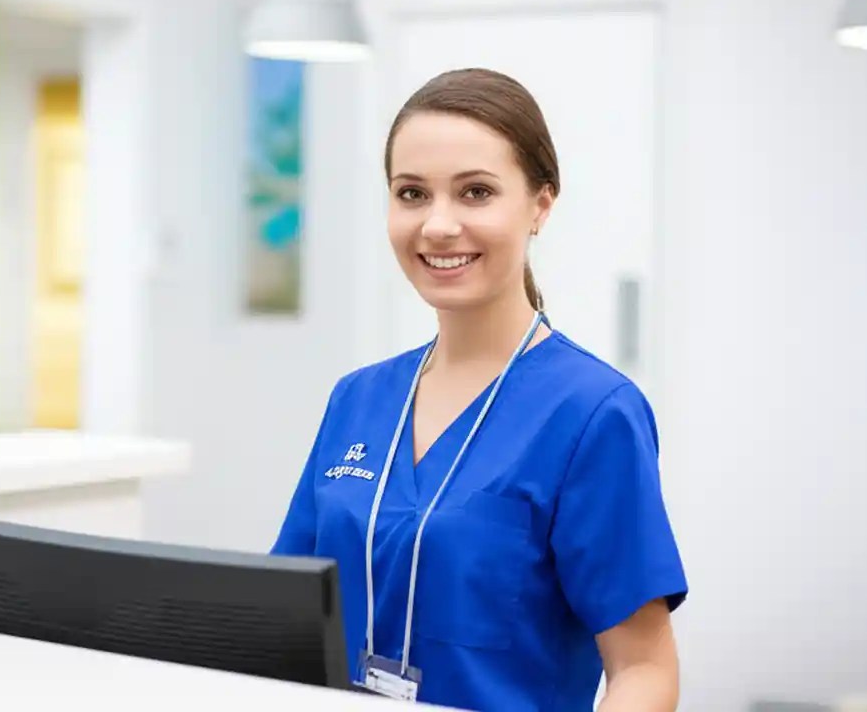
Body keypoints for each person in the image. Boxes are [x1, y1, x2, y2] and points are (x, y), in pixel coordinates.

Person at [271, 68, 687, 711]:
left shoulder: (591, 414)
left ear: (541, 204)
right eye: (411, 193)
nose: (437, 225)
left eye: (475, 192)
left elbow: (643, 671)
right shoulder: (357, 400)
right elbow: (281, 619)